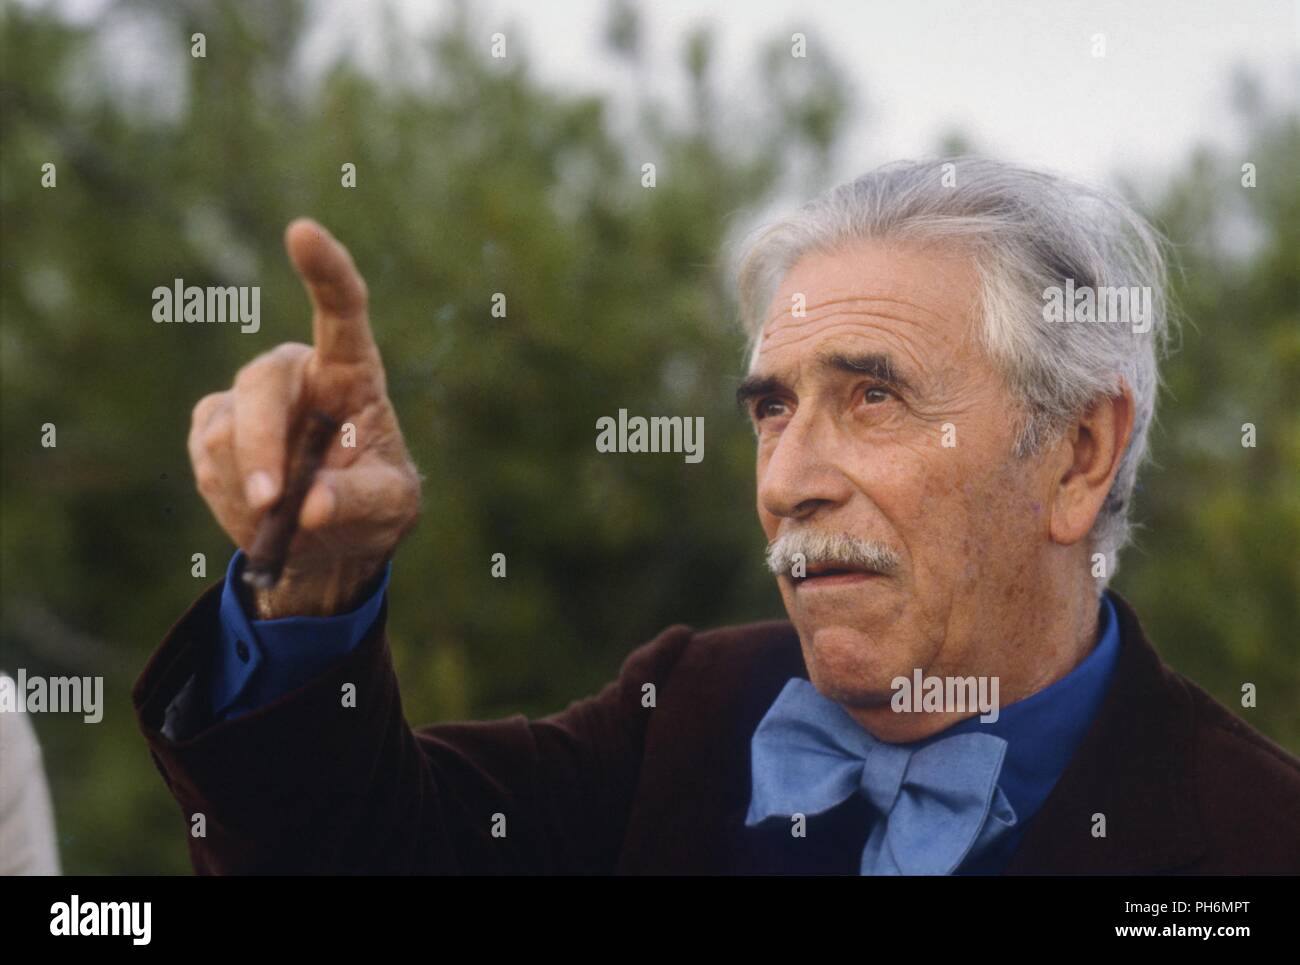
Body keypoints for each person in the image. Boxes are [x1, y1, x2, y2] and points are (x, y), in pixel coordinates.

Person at [133, 158, 1300, 874]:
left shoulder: (1254, 836)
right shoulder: (681, 716)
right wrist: (314, 589)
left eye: (872, 397)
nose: (790, 476)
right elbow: (342, 853)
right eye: (772, 407)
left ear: (1078, 454)